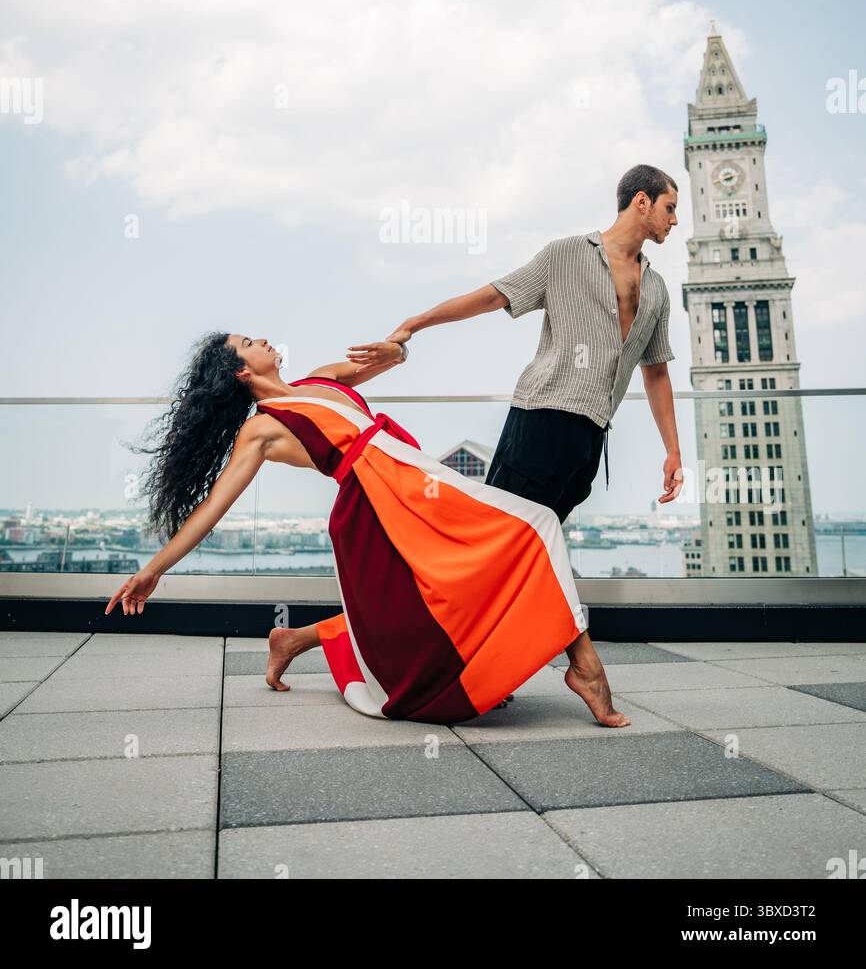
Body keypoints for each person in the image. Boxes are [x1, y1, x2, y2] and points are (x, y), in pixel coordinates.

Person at [105, 332, 630, 728]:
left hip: (412, 477)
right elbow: (213, 508)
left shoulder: (318, 382)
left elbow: (387, 360)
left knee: (474, 569)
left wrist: (394, 353)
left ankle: (294, 639)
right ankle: (584, 666)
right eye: (249, 342)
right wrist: (154, 569)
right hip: (377, 505)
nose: (263, 339)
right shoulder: (262, 426)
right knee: (529, 528)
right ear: (240, 371)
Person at [367, 164, 684, 527]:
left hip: (593, 438)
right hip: (540, 422)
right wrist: (416, 323)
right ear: (642, 201)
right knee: (497, 535)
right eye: (669, 208)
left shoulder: (657, 290)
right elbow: (492, 296)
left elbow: (657, 373)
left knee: (537, 543)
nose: (673, 221)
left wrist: (672, 451)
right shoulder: (564, 255)